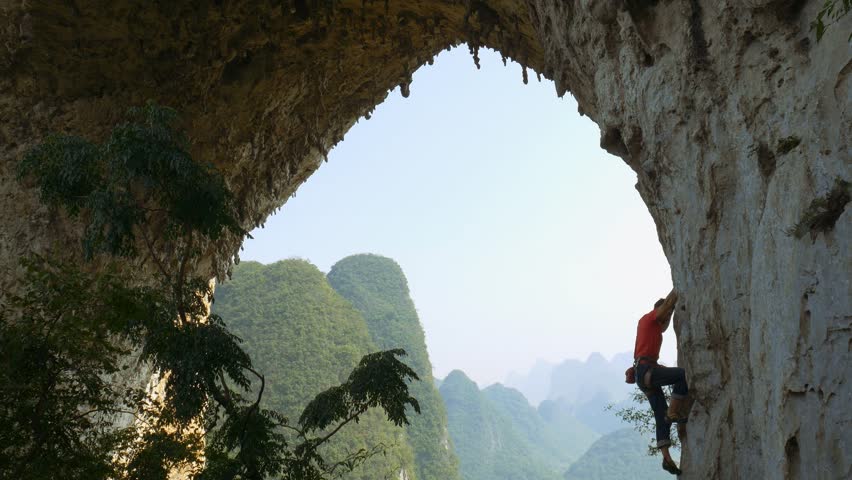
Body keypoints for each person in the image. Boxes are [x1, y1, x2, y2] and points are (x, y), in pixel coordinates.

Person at [633, 288, 690, 475]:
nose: (666, 323)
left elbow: (650, 358)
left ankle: (666, 458)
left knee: (660, 414)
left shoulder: (651, 327)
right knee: (682, 375)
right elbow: (665, 308)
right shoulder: (650, 319)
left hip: (643, 375)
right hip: (646, 371)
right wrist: (677, 290)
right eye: (665, 317)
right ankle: (673, 413)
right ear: (660, 313)